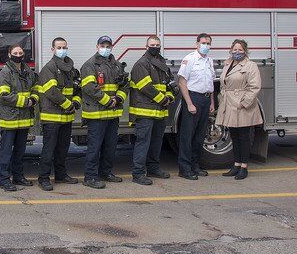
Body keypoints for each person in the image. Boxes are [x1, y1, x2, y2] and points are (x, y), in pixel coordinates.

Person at [80, 36, 129, 189]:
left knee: (110, 146)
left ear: (111, 47)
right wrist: (108, 101)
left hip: (112, 114)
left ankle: (105, 172)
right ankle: (90, 177)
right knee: (94, 147)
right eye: (103, 46)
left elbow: (125, 85)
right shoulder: (89, 65)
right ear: (97, 47)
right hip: (96, 114)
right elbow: (89, 87)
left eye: (108, 46)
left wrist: (119, 98)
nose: (105, 48)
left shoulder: (117, 65)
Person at [36, 37, 81, 191]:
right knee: (49, 150)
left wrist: (76, 102)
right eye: (59, 47)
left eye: (64, 47)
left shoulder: (70, 69)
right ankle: (43, 178)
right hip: (52, 117)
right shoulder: (49, 68)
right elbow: (51, 91)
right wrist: (69, 104)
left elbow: (77, 89)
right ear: (52, 49)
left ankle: (61, 175)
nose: (62, 50)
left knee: (63, 148)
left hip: (66, 117)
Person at [128, 36, 174, 185]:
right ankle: (138, 173)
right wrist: (163, 99)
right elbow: (146, 87)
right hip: (144, 112)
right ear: (146, 47)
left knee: (156, 142)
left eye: (157, 45)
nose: (155, 47)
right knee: (143, 143)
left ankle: (153, 168)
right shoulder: (141, 64)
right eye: (152, 45)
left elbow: (169, 84)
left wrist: (170, 96)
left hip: (159, 112)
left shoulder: (162, 63)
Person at [216, 39, 262, 180]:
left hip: (242, 106)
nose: (237, 52)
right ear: (231, 50)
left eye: (240, 50)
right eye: (235, 49)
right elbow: (223, 84)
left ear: (245, 51)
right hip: (229, 104)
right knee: (234, 136)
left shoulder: (251, 66)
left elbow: (254, 87)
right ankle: (236, 165)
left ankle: (244, 167)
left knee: (243, 137)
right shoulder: (228, 64)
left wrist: (244, 103)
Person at [0, 44, 38, 192]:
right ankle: (4, 180)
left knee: (20, 151)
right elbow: (3, 96)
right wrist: (27, 102)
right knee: (6, 152)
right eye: (15, 53)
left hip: (24, 119)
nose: (18, 55)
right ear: (9, 55)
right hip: (10, 118)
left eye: (20, 52)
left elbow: (36, 87)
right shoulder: (5, 73)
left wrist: (34, 98)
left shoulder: (28, 71)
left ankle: (18, 177)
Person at [177, 32, 216, 180]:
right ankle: (184, 169)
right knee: (187, 136)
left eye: (208, 43)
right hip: (193, 98)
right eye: (203, 43)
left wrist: (211, 102)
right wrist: (189, 103)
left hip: (205, 100)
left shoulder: (209, 61)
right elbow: (182, 82)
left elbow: (211, 83)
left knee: (200, 136)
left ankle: (195, 166)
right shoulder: (189, 59)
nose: (206, 46)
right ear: (197, 44)